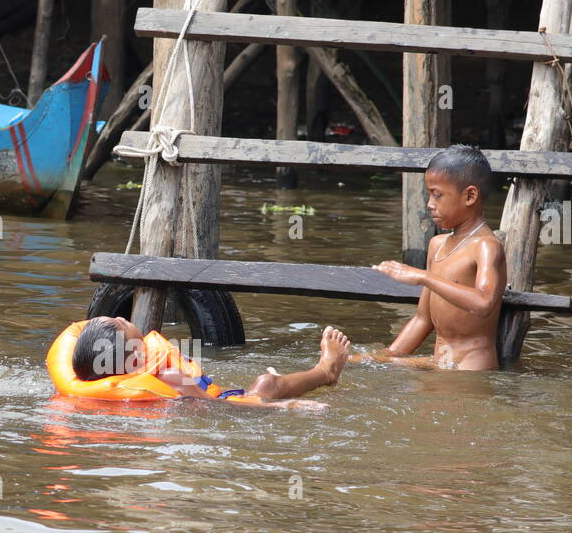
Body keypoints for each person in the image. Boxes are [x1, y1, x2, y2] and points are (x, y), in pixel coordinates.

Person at [365, 145, 508, 370]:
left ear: (470, 196)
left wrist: (423, 277)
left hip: (470, 369)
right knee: (356, 363)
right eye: (429, 194)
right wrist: (386, 359)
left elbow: (483, 303)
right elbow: (423, 319)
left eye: (437, 195)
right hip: (439, 363)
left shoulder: (487, 246)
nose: (430, 204)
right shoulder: (437, 245)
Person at [49, 316, 350, 406]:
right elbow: (211, 404)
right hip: (228, 403)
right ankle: (326, 370)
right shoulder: (165, 373)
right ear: (136, 353)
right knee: (266, 383)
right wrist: (285, 407)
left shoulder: (98, 380)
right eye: (119, 322)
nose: (120, 316)